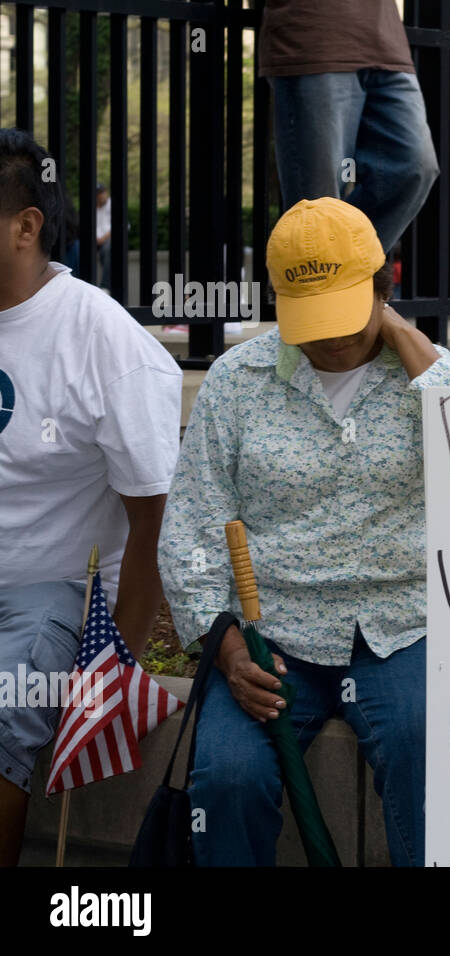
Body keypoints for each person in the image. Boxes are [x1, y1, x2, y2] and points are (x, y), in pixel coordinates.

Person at [157, 198, 450, 867]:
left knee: (434, 766)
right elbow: (191, 522)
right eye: (309, 315)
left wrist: (411, 344)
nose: (329, 337)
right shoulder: (237, 382)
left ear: (383, 288)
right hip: (270, 632)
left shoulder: (427, 375)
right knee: (224, 779)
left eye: (346, 310)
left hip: (401, 626)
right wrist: (223, 647)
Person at [0, 129, 182, 866]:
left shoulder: (103, 339)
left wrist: (120, 669)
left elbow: (155, 518)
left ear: (25, 226)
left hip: (57, 593)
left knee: (8, 698)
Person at [260, 0, 437, 253]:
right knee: (319, 203)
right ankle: (321, 281)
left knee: (415, 168)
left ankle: (344, 266)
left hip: (386, 44)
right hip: (314, 38)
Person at [94, 183, 111, 288]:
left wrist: (103, 238)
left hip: (108, 239)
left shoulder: (111, 204)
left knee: (107, 250)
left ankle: (105, 286)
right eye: (98, 194)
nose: (100, 196)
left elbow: (123, 226)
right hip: (95, 240)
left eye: (102, 193)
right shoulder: (93, 207)